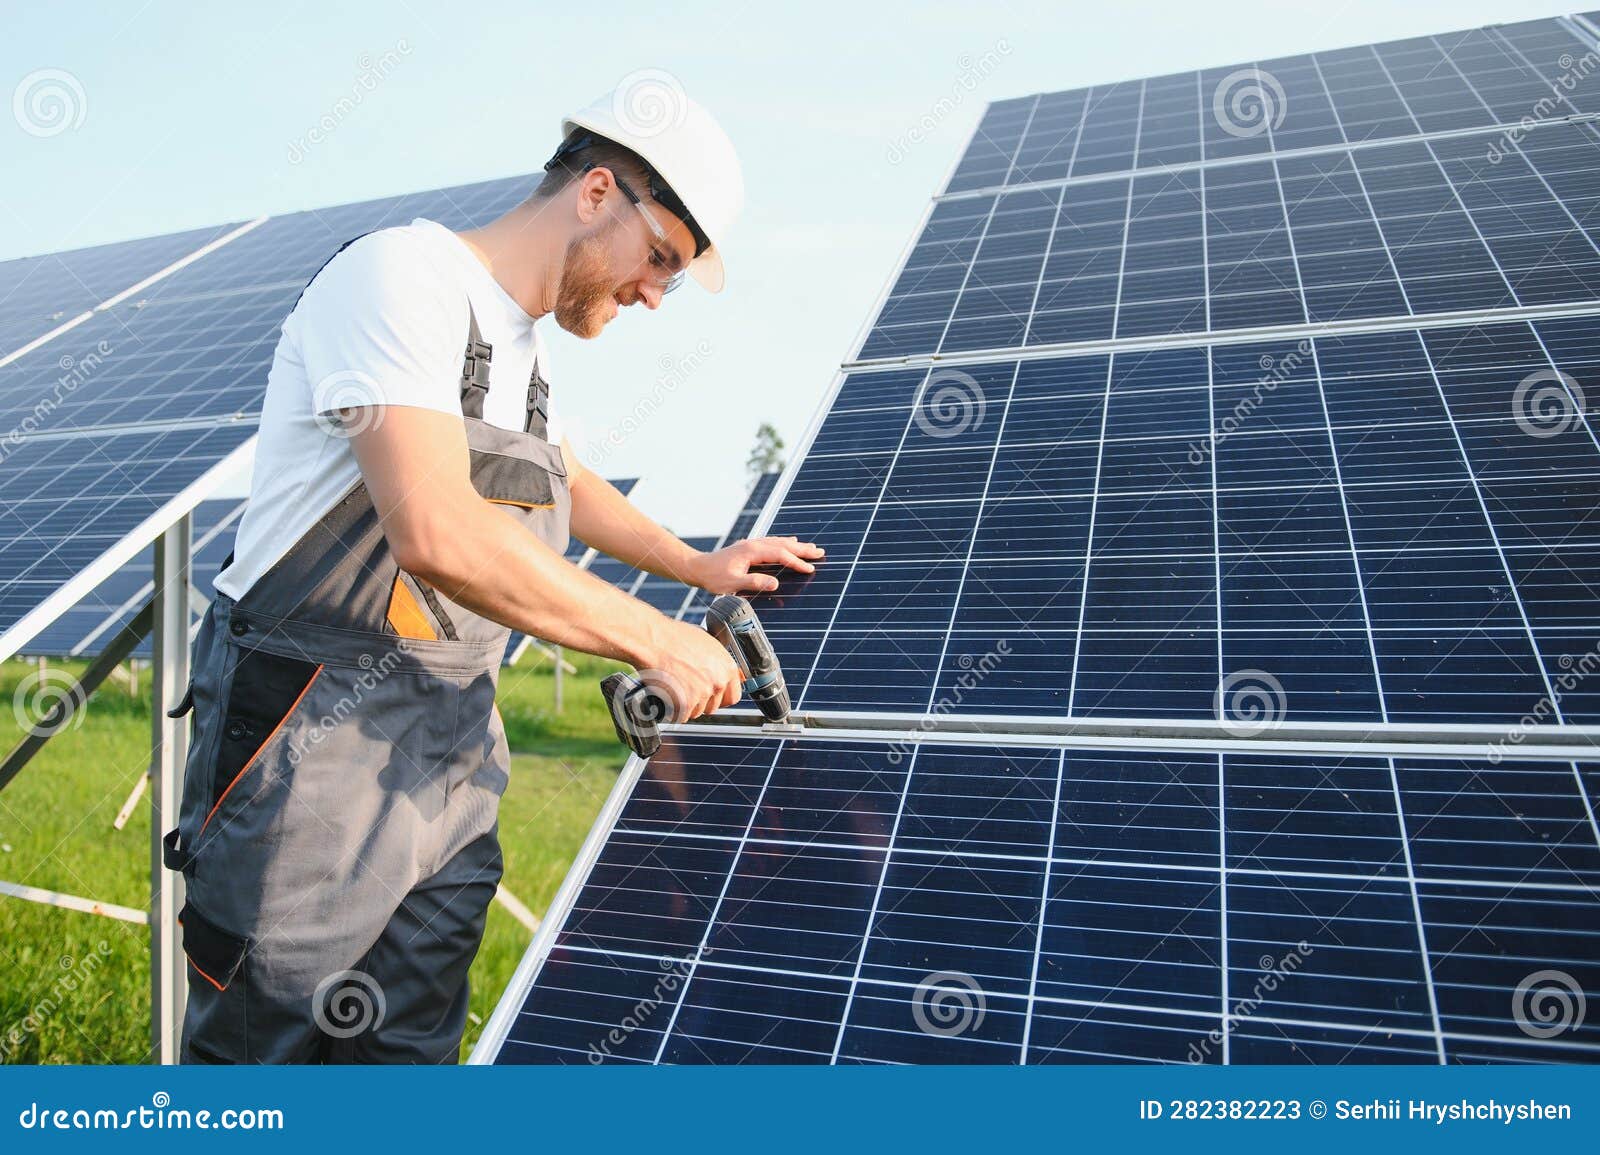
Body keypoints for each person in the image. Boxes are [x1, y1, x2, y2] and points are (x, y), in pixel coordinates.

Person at [162, 86, 822, 1063]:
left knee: (407, 1057)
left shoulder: (524, 358)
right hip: (312, 748)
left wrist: (693, 562)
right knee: (273, 1054)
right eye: (661, 263)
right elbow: (436, 527)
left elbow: (565, 479)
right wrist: (653, 634)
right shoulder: (400, 279)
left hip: (449, 751)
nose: (653, 295)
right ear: (599, 191)